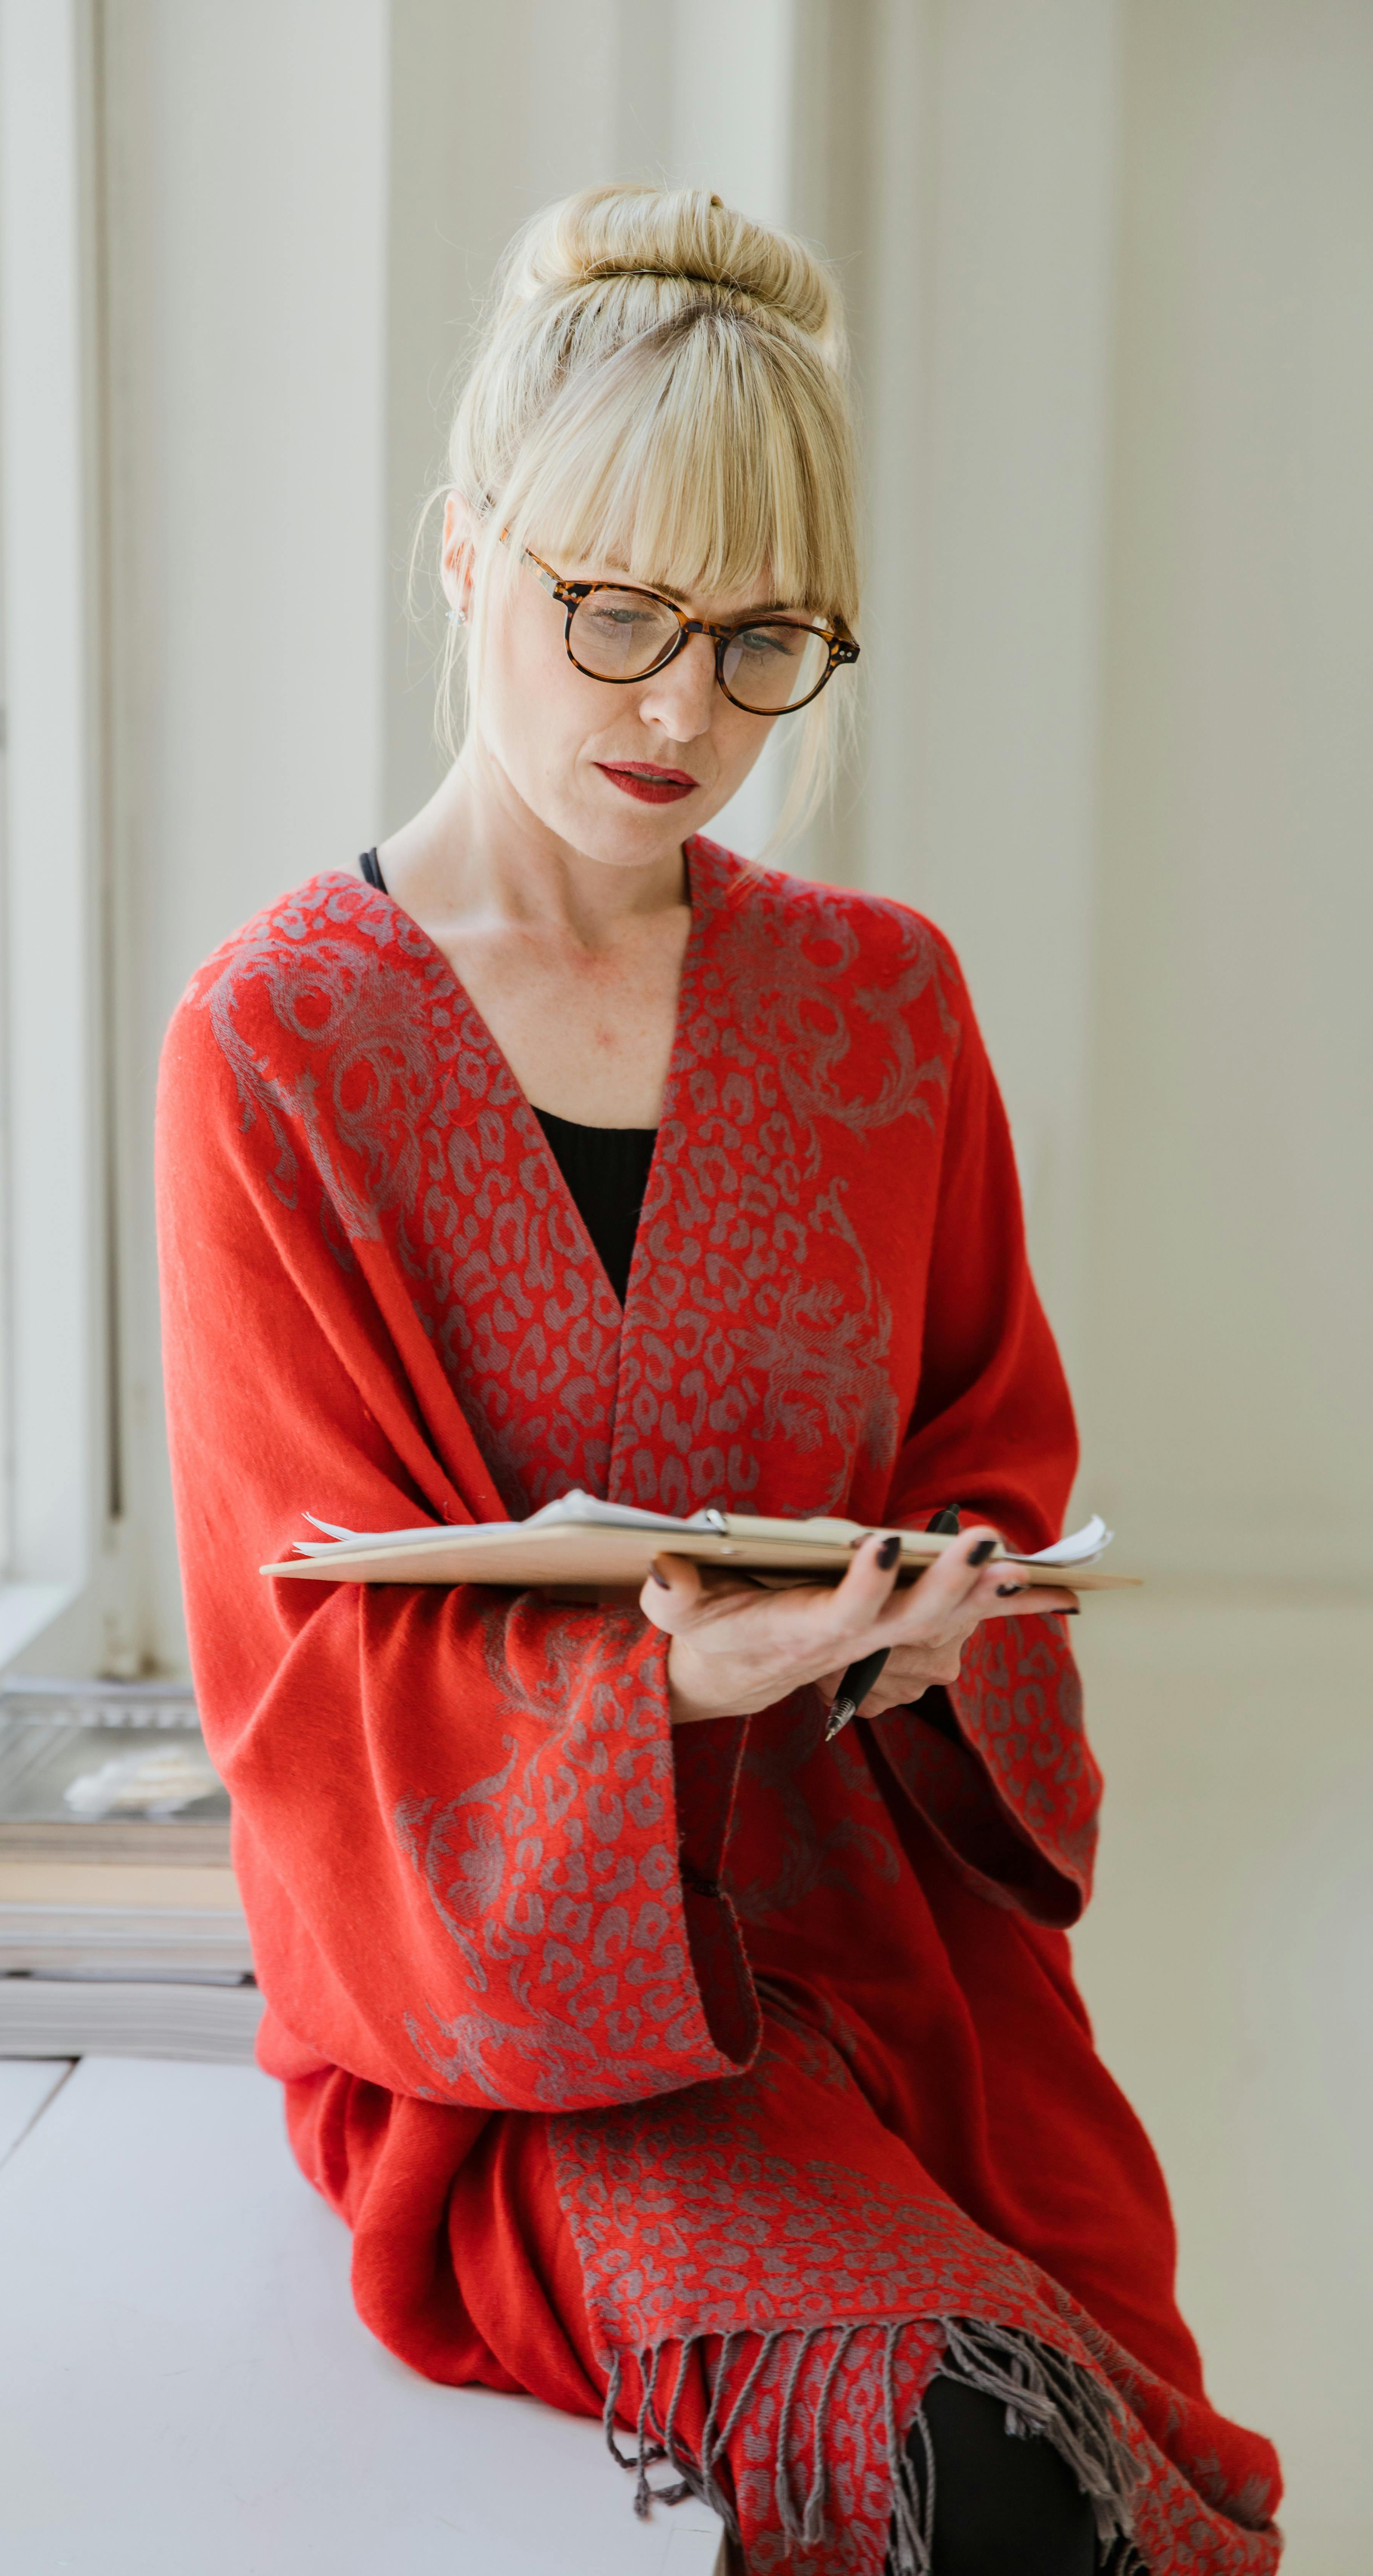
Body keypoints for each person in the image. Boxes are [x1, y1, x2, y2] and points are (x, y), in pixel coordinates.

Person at [156, 186, 1281, 2575]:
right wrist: (655, 1702)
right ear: (464, 555)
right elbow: (302, 1682)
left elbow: (993, 1452)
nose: (682, 714)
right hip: (543, 2045)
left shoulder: (890, 1005)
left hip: (890, 1952)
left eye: (764, 642)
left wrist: (928, 1627)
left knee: (1122, 2432)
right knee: (974, 2467)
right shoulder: (281, 1049)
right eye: (617, 616)